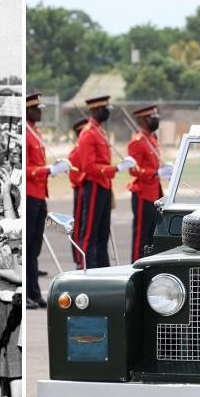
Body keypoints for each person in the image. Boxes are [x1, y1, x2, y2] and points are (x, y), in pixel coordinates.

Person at [75, 96, 135, 268]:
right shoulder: (88, 133)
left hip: (104, 185)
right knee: (90, 234)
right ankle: (86, 267)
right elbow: (89, 167)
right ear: (94, 110)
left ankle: (102, 268)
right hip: (94, 185)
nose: (107, 111)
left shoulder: (100, 131)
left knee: (102, 233)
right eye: (104, 108)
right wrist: (115, 169)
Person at [24, 93, 67, 309]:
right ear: (28, 110)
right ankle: (27, 293)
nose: (40, 112)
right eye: (36, 108)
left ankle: (33, 291)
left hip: (40, 195)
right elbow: (26, 168)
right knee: (28, 247)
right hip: (30, 194)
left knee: (35, 248)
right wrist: (48, 169)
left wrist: (53, 167)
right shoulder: (25, 132)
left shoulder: (35, 131)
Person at [127, 105, 168, 261]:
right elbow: (133, 170)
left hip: (154, 193)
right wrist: (155, 173)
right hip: (143, 193)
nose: (156, 119)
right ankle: (136, 264)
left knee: (151, 234)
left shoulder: (152, 138)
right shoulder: (137, 141)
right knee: (141, 235)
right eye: (152, 116)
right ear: (143, 120)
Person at [67, 115, 89, 268]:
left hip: (88, 190)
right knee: (79, 225)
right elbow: (74, 177)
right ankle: (78, 257)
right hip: (81, 191)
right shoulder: (75, 153)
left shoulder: (84, 150)